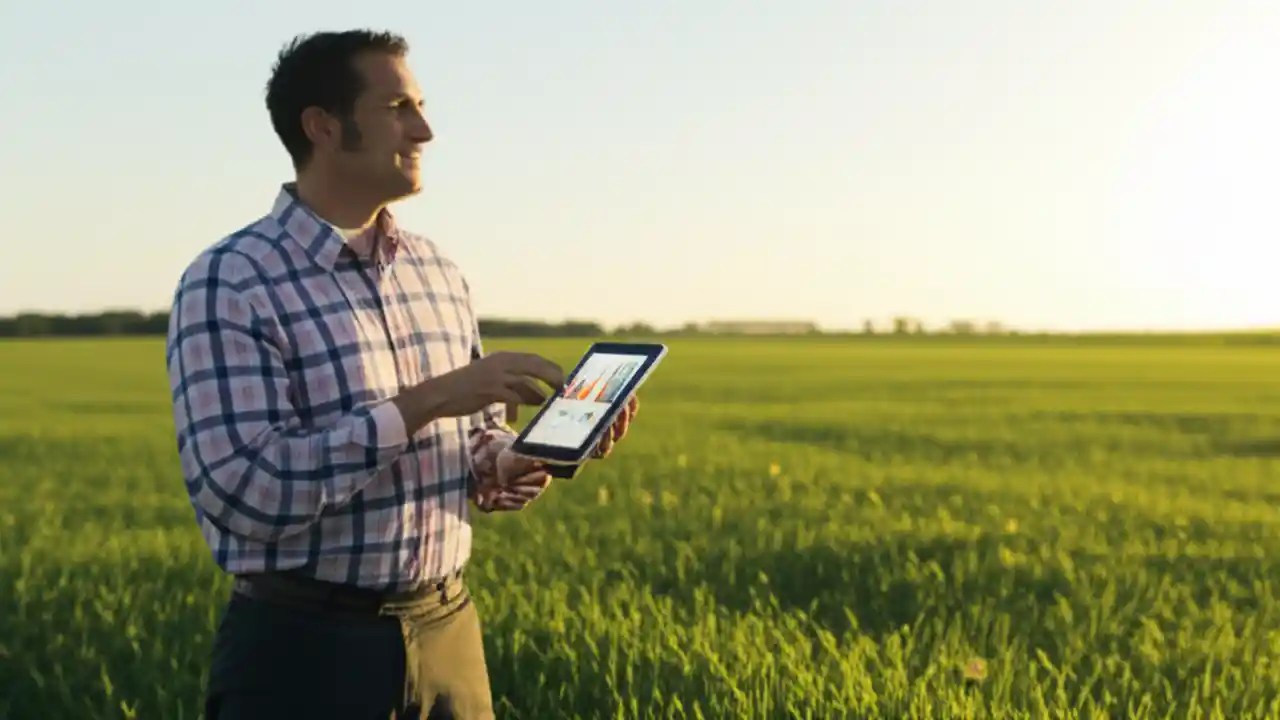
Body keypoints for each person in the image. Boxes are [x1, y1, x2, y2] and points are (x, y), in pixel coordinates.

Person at [164, 29, 640, 719]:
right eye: (398, 107)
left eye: (420, 104)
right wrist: (425, 402)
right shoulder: (231, 281)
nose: (425, 128)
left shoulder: (436, 271)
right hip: (303, 650)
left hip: (448, 631)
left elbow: (476, 444)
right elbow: (245, 491)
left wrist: (513, 459)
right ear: (323, 126)